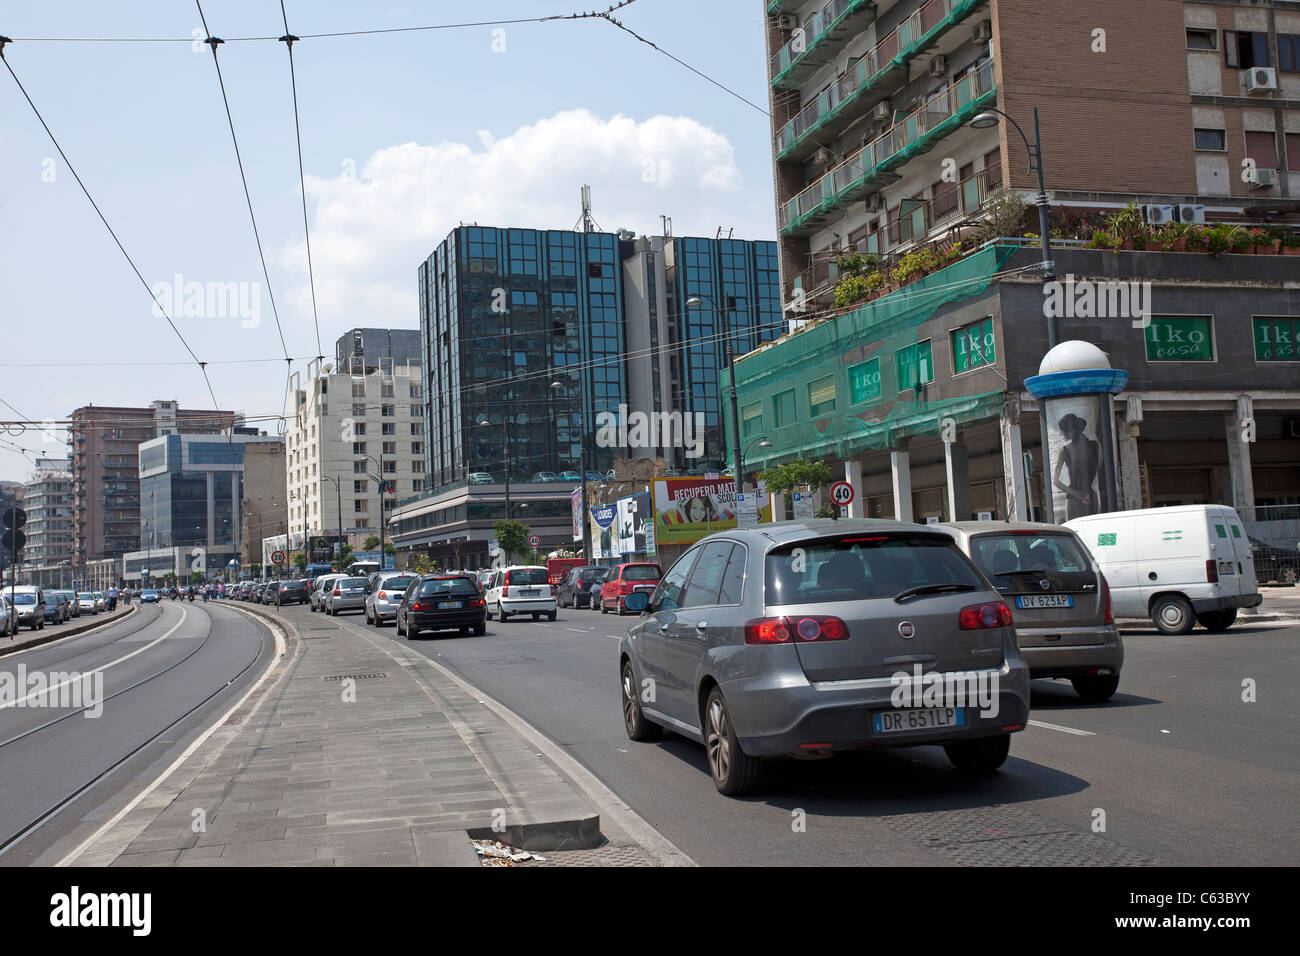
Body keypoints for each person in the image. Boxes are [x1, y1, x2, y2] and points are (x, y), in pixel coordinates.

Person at [1052, 412, 1100, 521]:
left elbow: (1056, 481)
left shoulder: (1064, 451)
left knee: (1074, 529)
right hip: (1091, 495)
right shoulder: (1094, 446)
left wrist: (1076, 494)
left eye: (1063, 431)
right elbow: (1099, 465)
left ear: (1071, 431)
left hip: (1073, 498)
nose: (1061, 434)